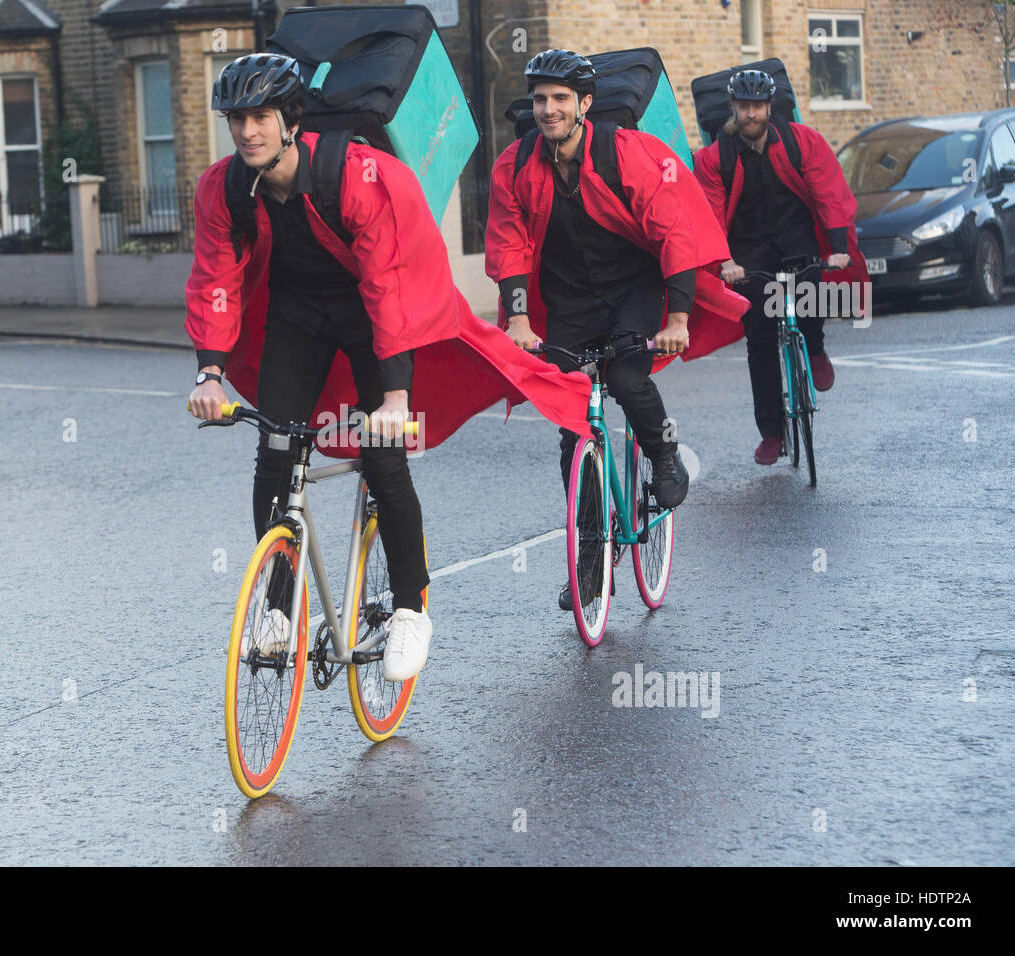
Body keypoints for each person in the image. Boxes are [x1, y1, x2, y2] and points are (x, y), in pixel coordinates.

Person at [186, 54, 602, 677]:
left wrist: (396, 399)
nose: (248, 131)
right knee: (275, 445)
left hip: (374, 307)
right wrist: (211, 371)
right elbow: (215, 277)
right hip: (299, 311)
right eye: (238, 118)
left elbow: (389, 286)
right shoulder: (222, 188)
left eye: (262, 116)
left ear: (291, 119)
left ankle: (410, 610)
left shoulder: (355, 177)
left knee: (383, 453)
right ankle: (276, 609)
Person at [485, 49, 747, 611]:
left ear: (585, 105)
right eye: (539, 100)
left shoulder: (628, 153)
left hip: (633, 287)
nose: (548, 109)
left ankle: (663, 452)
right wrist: (519, 318)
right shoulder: (514, 163)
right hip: (568, 299)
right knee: (571, 422)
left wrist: (676, 318)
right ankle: (589, 558)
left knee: (628, 379)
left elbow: (676, 230)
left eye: (560, 99)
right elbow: (507, 241)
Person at [693, 68, 867, 465]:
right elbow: (710, 216)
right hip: (749, 253)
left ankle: (817, 350)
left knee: (813, 291)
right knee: (759, 336)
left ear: (770, 107)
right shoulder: (714, 158)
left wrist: (838, 248)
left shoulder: (800, 141)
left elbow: (829, 192)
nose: (751, 113)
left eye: (757, 106)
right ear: (733, 108)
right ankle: (772, 432)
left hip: (798, 239)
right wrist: (726, 263)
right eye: (743, 106)